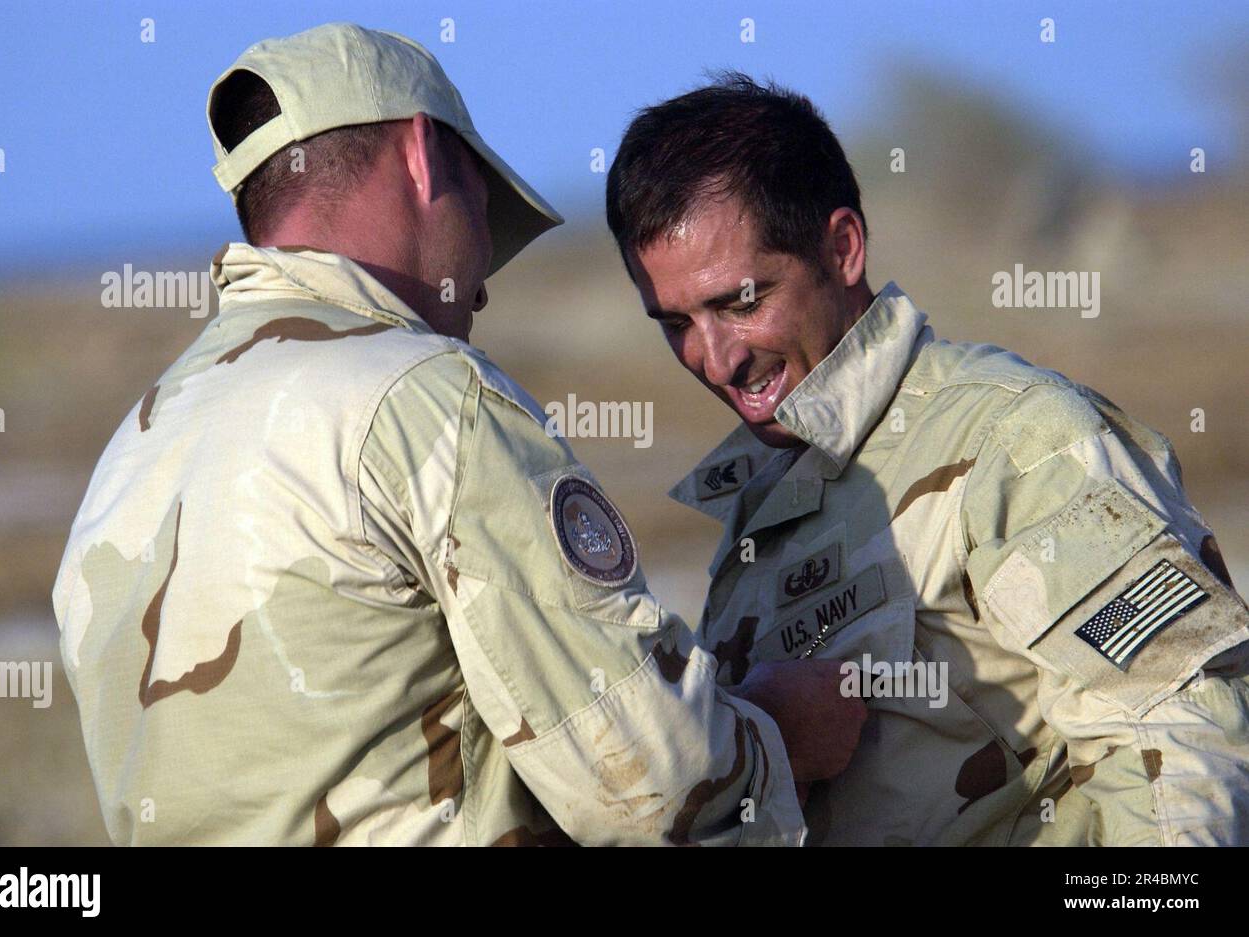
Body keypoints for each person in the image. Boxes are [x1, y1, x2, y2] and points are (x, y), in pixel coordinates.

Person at [51, 24, 868, 847]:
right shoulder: (426, 396)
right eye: (485, 205)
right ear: (422, 154)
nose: (479, 288)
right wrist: (780, 729)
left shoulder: (133, 452)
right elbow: (653, 782)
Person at [604, 73, 1249, 846]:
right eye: (674, 322)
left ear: (842, 249)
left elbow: (1180, 746)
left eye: (742, 302)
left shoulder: (1017, 438)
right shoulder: (759, 514)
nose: (714, 358)